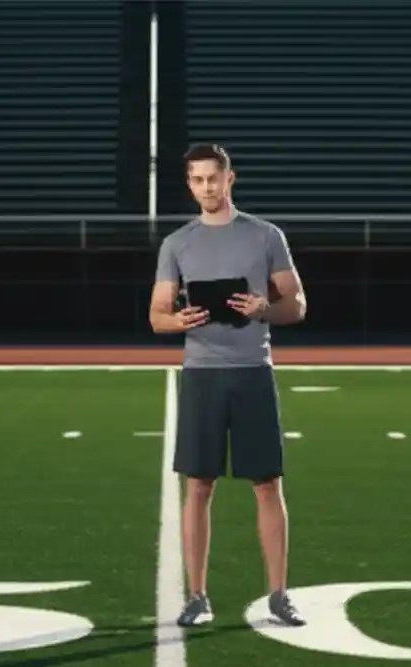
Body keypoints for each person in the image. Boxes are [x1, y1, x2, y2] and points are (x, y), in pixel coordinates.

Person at [149, 143, 307, 627]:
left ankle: (279, 595)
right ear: (189, 184)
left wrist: (264, 309)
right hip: (201, 374)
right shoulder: (177, 244)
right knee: (198, 485)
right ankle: (197, 596)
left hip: (253, 370)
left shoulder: (265, 235)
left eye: (212, 178)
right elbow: (156, 316)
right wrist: (179, 320)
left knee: (267, 483)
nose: (206, 188)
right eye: (197, 180)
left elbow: (297, 305)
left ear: (229, 178)